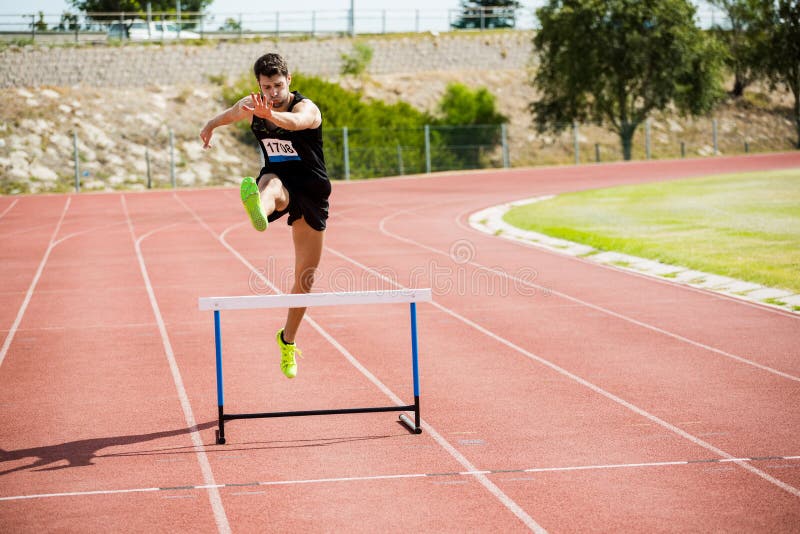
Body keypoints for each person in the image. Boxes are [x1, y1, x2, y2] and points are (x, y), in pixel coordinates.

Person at [199, 52, 331, 379]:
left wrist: (271, 114)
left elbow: (295, 123)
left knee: (305, 278)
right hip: (280, 181)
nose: (272, 92)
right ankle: (259, 208)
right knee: (270, 185)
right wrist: (210, 125)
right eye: (266, 86)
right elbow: (231, 114)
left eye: (277, 85)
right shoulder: (253, 104)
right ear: (258, 84)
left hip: (311, 192)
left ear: (290, 81)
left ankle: (287, 341)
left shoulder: (306, 108)